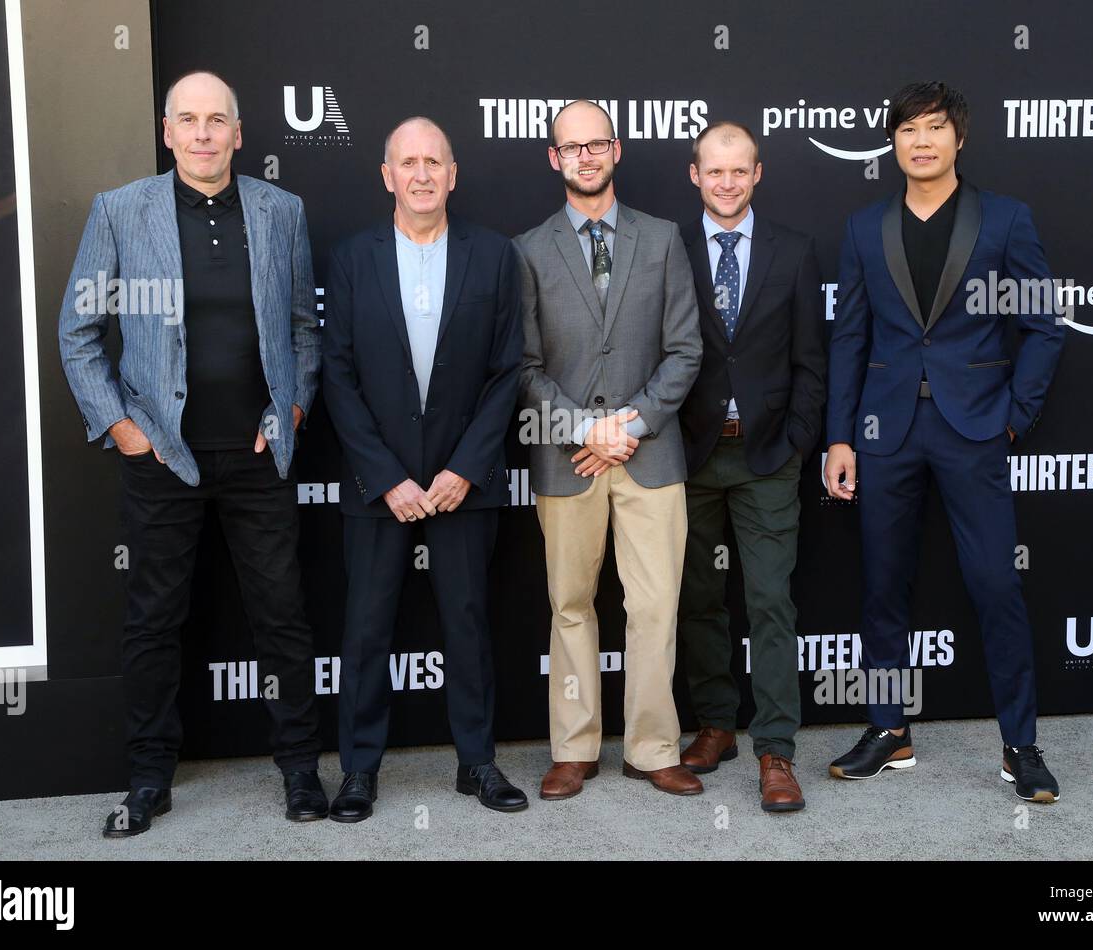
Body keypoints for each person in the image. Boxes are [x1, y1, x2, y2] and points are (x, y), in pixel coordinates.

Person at [58, 70, 326, 836]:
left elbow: (307, 329)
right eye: (189, 120)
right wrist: (123, 429)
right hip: (161, 457)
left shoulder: (283, 212)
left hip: (258, 456)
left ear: (240, 134)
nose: (204, 133)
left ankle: (302, 772)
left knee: (281, 617)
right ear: (167, 131)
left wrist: (293, 409)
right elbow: (78, 333)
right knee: (153, 621)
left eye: (218, 121)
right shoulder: (121, 211)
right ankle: (147, 781)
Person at [824, 81, 1065, 802]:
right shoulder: (866, 228)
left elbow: (1044, 326)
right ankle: (889, 729)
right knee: (882, 588)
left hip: (975, 428)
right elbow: (850, 338)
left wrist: (1014, 414)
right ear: (891, 142)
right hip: (884, 431)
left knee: (995, 584)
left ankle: (1020, 744)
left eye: (934, 128)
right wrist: (840, 437)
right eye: (907, 129)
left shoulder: (1005, 220)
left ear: (960, 139)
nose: (920, 141)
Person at [321, 117, 527, 822]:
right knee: (367, 628)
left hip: (461, 483)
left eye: (433, 162)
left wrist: (465, 468)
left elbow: (507, 374)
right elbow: (338, 377)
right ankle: (358, 772)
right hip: (379, 486)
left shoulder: (494, 256)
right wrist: (385, 476)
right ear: (387, 176)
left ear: (453, 173)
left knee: (467, 623)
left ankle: (478, 763)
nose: (421, 175)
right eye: (407, 163)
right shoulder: (352, 259)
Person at [515, 100, 704, 799]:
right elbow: (525, 367)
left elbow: (686, 350)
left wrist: (628, 426)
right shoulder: (528, 250)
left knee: (655, 607)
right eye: (573, 147)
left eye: (597, 144)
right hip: (566, 460)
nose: (586, 157)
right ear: (554, 158)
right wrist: (585, 429)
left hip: (649, 456)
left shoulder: (661, 239)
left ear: (616, 151)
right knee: (571, 604)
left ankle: (654, 748)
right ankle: (575, 745)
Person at [676, 121, 826, 812]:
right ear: (695, 174)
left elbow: (810, 360)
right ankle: (714, 725)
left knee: (769, 599)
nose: (728, 182)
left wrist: (797, 439)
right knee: (699, 599)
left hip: (767, 456)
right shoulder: (669, 249)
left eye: (740, 171)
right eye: (716, 171)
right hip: (691, 454)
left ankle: (775, 749)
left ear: (758, 173)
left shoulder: (794, 251)